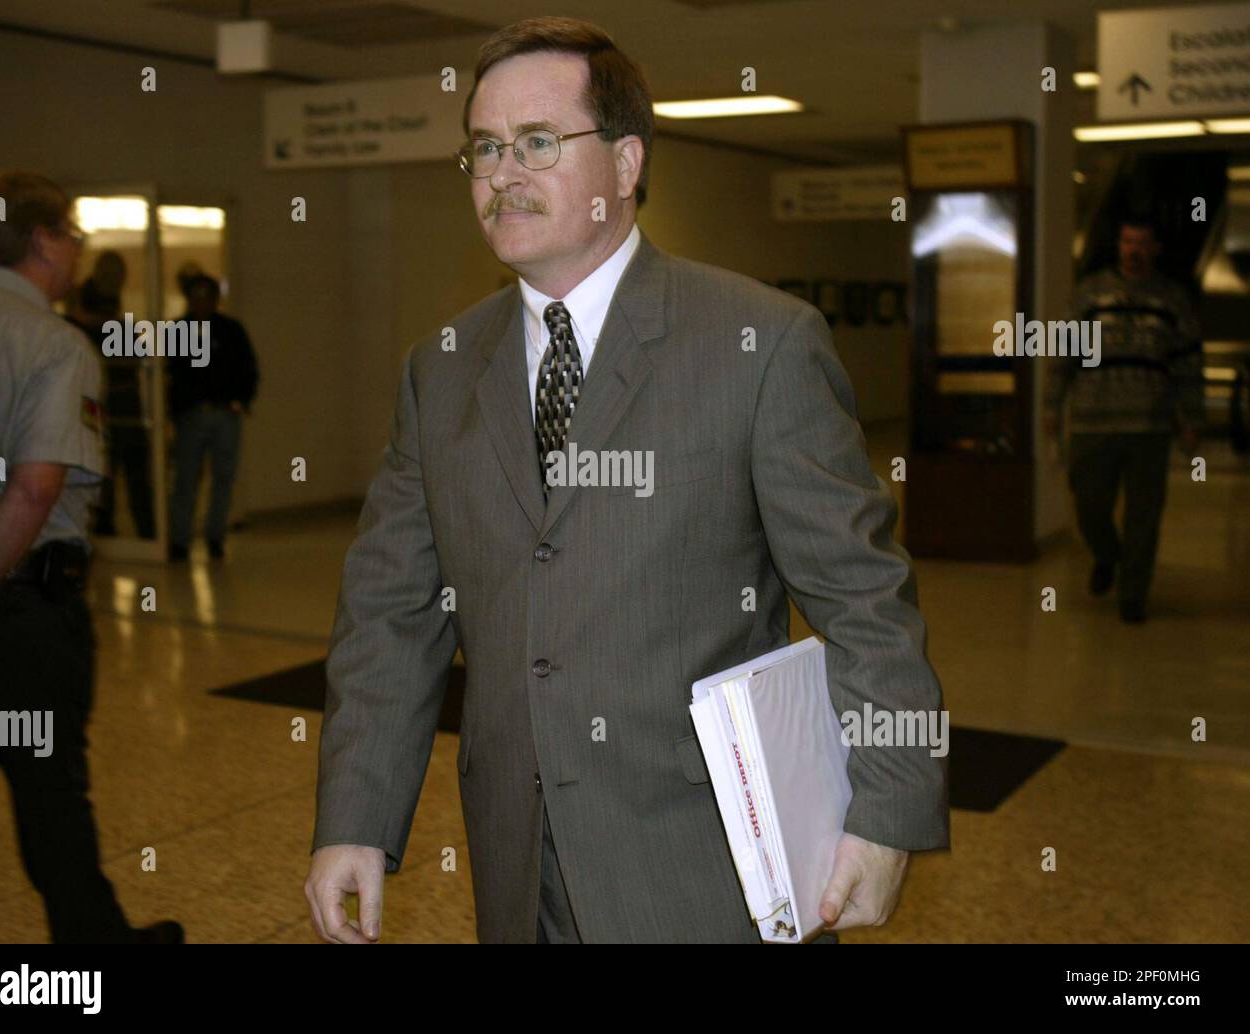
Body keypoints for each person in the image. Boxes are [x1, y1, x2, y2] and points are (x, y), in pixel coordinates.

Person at [306, 17, 948, 945]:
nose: (500, 173)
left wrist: (888, 813)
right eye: (483, 148)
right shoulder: (440, 369)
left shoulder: (757, 346)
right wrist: (356, 819)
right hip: (515, 862)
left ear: (625, 164)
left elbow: (865, 604)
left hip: (703, 870)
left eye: (537, 143)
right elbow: (391, 616)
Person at [0, 169, 182, 943]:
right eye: (74, 235)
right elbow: (32, 492)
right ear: (44, 242)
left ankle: (100, 937)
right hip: (16, 608)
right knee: (51, 795)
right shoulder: (53, 343)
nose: (80, 251)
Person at [1045, 216, 1204, 624]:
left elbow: (1188, 363)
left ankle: (1133, 596)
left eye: (1141, 243)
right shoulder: (1090, 294)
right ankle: (1107, 554)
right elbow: (1063, 356)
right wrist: (1051, 406)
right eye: (1126, 241)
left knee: (1144, 517)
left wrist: (1191, 418)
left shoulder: (1172, 299)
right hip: (1092, 423)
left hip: (1150, 426)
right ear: (1118, 245)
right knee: (1089, 507)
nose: (1133, 249)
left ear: (1155, 249)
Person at [166, 273, 258, 561]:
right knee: (186, 478)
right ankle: (180, 539)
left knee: (223, 478)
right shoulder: (179, 331)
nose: (201, 301)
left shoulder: (230, 330)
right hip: (192, 416)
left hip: (224, 414)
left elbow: (248, 368)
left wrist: (240, 401)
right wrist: (177, 411)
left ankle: (215, 537)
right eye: (196, 295)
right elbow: (171, 374)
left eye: (206, 295)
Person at [65, 251, 156, 540]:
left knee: (130, 479)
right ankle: (130, 531)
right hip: (106, 418)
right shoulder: (85, 334)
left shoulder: (113, 333)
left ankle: (143, 532)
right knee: (109, 479)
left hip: (120, 417)